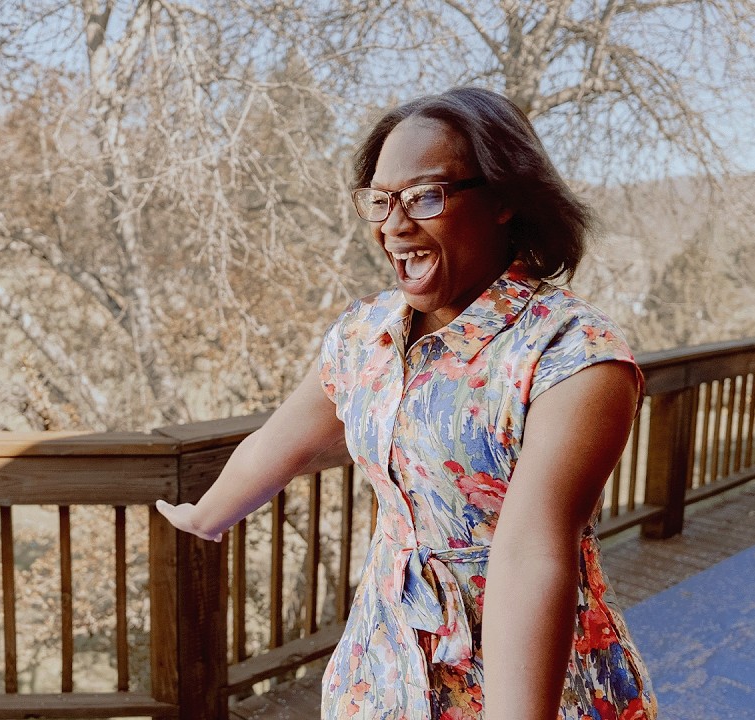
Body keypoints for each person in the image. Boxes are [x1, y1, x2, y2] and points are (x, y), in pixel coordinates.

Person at [157, 87, 655, 719]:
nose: (393, 225)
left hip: (527, 674)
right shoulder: (367, 335)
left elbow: (531, 553)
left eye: (425, 195)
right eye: (381, 199)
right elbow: (282, 443)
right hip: (387, 661)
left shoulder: (574, 354)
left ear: (504, 198)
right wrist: (205, 517)